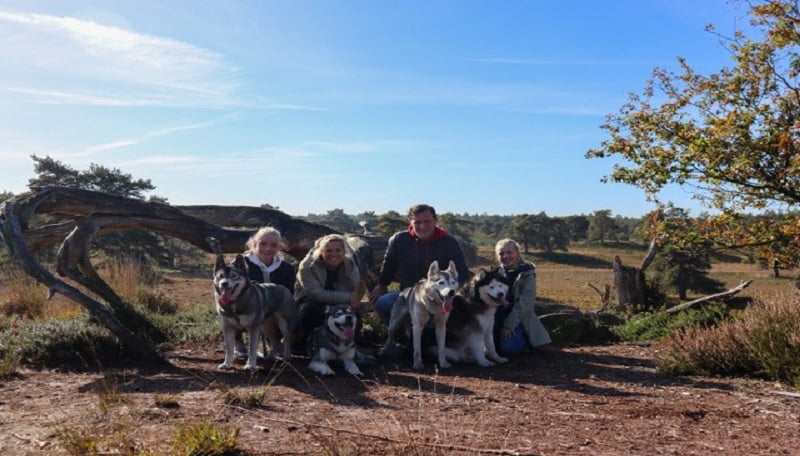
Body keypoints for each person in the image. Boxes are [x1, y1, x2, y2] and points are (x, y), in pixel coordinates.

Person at [369, 203, 470, 321]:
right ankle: (402, 332)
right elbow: (389, 265)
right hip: (410, 294)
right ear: (410, 222)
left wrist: (457, 295)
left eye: (427, 221)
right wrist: (382, 285)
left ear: (435, 220)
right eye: (417, 222)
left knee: (463, 309)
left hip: (441, 295)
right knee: (383, 303)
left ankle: (433, 333)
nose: (423, 226)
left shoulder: (449, 242)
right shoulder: (399, 240)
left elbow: (461, 270)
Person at [234, 226, 296, 359]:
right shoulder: (240, 265)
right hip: (245, 308)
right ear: (254, 244)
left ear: (279, 247)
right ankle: (238, 343)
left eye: (273, 245)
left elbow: (288, 294)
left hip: (274, 310)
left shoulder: (286, 268)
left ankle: (279, 345)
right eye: (263, 244)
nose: (268, 248)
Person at [294, 234, 364, 344]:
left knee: (353, 317)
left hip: (340, 303)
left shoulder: (349, 264)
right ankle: (309, 344)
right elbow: (314, 294)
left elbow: (355, 286)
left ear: (344, 251)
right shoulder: (308, 266)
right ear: (321, 251)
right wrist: (349, 298)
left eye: (338, 250)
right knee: (312, 311)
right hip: (310, 302)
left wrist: (356, 300)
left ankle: (348, 346)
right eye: (329, 251)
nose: (333, 254)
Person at [494, 238, 551, 355]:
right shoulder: (494, 275)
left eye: (509, 252)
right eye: (501, 253)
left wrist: (508, 326)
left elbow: (525, 303)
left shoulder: (527, 274)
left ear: (517, 253)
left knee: (508, 349)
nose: (505, 256)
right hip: (497, 317)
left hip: (519, 318)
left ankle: (527, 341)